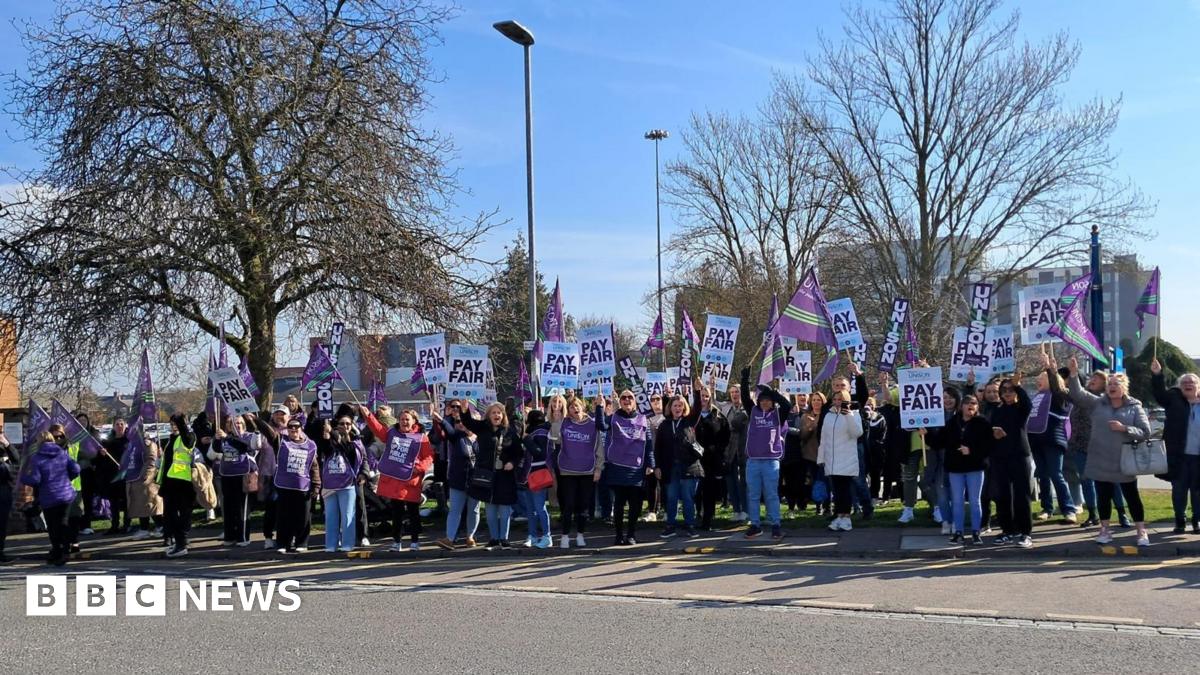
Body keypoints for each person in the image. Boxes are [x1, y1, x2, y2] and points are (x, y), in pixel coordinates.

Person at [1065, 356, 1153, 547]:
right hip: (1100, 458)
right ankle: (1104, 530)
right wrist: (1073, 374)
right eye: (1110, 384)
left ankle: (1141, 531)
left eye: (1116, 384)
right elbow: (1078, 394)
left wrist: (1125, 429)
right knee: (1103, 496)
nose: (1112, 387)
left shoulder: (1134, 407)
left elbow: (1145, 433)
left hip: (1124, 461)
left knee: (1132, 498)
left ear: (1124, 388)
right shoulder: (1098, 403)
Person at [457, 402, 523, 550]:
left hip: (504, 476)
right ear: (488, 415)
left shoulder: (510, 432)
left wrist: (512, 463)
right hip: (486, 475)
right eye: (493, 412)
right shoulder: (482, 428)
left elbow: (518, 452)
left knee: (504, 509)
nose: (496, 415)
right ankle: (494, 538)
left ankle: (504, 539)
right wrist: (465, 409)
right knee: (490, 508)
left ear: (503, 415)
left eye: (499, 412)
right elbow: (467, 422)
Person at [739, 366, 792, 539]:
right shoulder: (753, 412)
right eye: (762, 400)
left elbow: (787, 404)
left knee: (771, 494)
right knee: (753, 495)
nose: (764, 402)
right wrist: (745, 378)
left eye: (768, 400)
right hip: (753, 461)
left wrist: (773, 392)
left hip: (771, 461)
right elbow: (745, 397)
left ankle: (775, 523)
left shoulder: (778, 414)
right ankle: (755, 524)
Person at [597, 390, 656, 545]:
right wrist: (599, 407)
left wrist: (651, 463)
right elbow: (601, 426)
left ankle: (631, 534)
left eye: (630, 397)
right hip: (617, 468)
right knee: (619, 504)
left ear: (635, 401)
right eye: (624, 398)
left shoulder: (643, 419)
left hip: (636, 469)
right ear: (620, 401)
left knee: (635, 504)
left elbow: (648, 444)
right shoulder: (613, 418)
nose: (627, 400)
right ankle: (618, 535)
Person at [1150, 358, 1200, 534]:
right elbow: (1159, 395)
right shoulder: (1173, 398)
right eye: (1184, 382)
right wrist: (1157, 375)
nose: (1188, 384)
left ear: (1198, 387)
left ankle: (1197, 520)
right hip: (1178, 456)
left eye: (1192, 382)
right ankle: (1180, 520)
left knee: (1197, 491)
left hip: (1198, 457)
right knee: (1179, 490)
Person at [550, 396, 603, 548]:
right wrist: (556, 420)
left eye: (577, 405)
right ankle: (565, 536)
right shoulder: (565, 423)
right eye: (572, 406)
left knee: (583, 507)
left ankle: (580, 535)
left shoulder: (593, 424)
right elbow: (556, 440)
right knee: (568, 505)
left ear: (583, 407)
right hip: (567, 471)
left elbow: (599, 448)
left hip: (587, 471)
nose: (575, 408)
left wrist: (598, 468)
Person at [20, 431, 80, 566]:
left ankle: (57, 551)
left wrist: (24, 477)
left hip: (49, 496)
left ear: (39, 442)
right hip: (66, 494)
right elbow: (76, 468)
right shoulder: (62, 453)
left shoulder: (37, 458)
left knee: (53, 526)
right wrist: (67, 478)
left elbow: (35, 479)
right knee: (64, 522)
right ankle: (66, 549)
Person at [1027, 357, 1076, 522]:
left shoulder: (1061, 397)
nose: (1037, 381)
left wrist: (1051, 370)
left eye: (1041, 379)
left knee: (1056, 474)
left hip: (1053, 440)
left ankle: (1068, 509)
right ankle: (1047, 508)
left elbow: (1057, 388)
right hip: (1036, 441)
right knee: (1042, 475)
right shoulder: (1037, 397)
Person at [990, 377, 1035, 548]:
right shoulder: (998, 410)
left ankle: (1025, 532)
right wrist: (994, 433)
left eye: (1011, 390)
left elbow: (1027, 403)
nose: (1007, 393)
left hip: (1019, 455)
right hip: (1000, 456)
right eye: (1004, 390)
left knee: (1022, 495)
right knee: (1003, 495)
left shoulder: (1021, 408)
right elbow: (991, 428)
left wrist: (1017, 385)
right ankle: (1007, 530)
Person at [429, 399, 480, 549]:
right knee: (455, 510)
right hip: (458, 479)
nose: (464, 424)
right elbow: (448, 430)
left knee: (474, 509)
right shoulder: (457, 437)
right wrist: (439, 419)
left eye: (468, 421)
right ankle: (449, 538)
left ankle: (470, 536)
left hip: (476, 480)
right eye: (462, 422)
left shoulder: (481, 439)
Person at [208, 414, 261, 546]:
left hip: (244, 475)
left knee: (242, 508)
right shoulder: (224, 437)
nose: (236, 425)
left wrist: (228, 438)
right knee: (229, 508)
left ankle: (243, 537)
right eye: (232, 423)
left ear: (243, 424)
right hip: (227, 476)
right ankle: (229, 536)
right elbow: (214, 452)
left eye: (238, 423)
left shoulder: (248, 436)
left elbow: (248, 447)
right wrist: (217, 439)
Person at [946, 395, 993, 544]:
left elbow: (988, 446)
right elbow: (941, 440)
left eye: (974, 403)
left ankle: (976, 532)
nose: (970, 405)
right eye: (966, 403)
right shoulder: (953, 422)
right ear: (961, 407)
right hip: (956, 467)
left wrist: (971, 450)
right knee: (957, 501)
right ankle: (958, 532)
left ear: (977, 406)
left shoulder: (983, 423)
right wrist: (926, 434)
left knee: (975, 501)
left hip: (975, 467)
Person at [655, 389, 702, 538]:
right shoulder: (664, 425)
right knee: (671, 497)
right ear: (670, 407)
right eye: (675, 405)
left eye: (680, 405)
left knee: (688, 498)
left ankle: (690, 525)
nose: (677, 408)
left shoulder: (689, 421)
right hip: (670, 467)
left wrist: (697, 391)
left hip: (688, 467)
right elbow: (658, 448)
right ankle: (670, 525)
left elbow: (698, 408)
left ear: (684, 407)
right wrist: (657, 466)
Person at [317, 415, 367, 552]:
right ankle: (331, 544)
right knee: (331, 516)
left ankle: (347, 543)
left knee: (347, 515)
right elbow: (324, 449)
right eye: (342, 423)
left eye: (348, 423)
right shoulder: (331, 439)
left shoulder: (356, 442)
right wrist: (327, 436)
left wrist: (364, 474)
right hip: (330, 484)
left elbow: (348, 449)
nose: (345, 426)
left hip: (347, 484)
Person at [818, 390, 864, 531]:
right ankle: (839, 516)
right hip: (832, 459)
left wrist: (848, 415)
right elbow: (823, 438)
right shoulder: (829, 416)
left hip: (846, 459)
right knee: (836, 491)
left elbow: (857, 433)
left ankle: (846, 518)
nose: (838, 402)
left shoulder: (854, 415)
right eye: (836, 399)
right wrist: (821, 457)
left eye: (841, 400)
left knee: (845, 490)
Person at [273, 418, 320, 553]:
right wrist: (254, 419)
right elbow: (269, 432)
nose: (294, 429)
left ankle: (302, 543)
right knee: (284, 517)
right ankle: (283, 543)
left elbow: (314, 466)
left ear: (301, 428)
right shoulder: (282, 441)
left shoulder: (310, 445)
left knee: (303, 517)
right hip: (285, 486)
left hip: (303, 487)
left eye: (297, 427)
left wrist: (316, 486)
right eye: (290, 427)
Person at [156, 414, 199, 558]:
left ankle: (182, 543)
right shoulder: (171, 439)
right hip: (169, 482)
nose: (173, 426)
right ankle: (179, 543)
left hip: (183, 482)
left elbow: (187, 439)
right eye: (172, 423)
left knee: (183, 516)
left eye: (176, 423)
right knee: (169, 516)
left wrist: (181, 421)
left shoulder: (189, 436)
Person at [694, 382, 730, 531]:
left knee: (709, 491)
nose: (704, 398)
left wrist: (717, 450)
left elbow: (725, 435)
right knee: (696, 491)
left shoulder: (718, 416)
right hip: (694, 458)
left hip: (711, 459)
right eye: (701, 396)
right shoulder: (693, 415)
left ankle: (707, 520)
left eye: (706, 396)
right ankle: (698, 515)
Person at [121, 424, 163, 540]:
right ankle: (144, 529)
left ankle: (161, 526)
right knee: (140, 506)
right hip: (133, 478)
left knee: (151, 504)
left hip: (144, 479)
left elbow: (151, 460)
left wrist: (146, 476)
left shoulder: (147, 444)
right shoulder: (131, 445)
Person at [518, 409, 553, 548]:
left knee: (539, 507)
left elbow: (540, 453)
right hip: (529, 474)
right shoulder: (537, 432)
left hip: (537, 473)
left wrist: (526, 440)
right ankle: (532, 536)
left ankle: (547, 536)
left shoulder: (541, 433)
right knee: (531, 509)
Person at [97, 418, 131, 534]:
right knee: (114, 502)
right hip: (112, 476)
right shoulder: (108, 442)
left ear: (125, 426)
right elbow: (101, 460)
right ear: (113, 427)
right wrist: (102, 454)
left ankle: (127, 524)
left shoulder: (129, 441)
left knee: (126, 501)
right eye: (117, 424)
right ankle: (114, 525)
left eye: (122, 424)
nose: (119, 426)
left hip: (126, 475)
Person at [723, 384, 749, 522]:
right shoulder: (726, 409)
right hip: (729, 451)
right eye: (732, 392)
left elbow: (735, 424)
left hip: (743, 451)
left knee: (743, 483)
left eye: (737, 392)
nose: (734, 394)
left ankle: (745, 509)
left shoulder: (747, 409)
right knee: (731, 482)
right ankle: (736, 510)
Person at [783, 394, 810, 514]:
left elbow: (801, 432)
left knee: (801, 481)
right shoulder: (784, 414)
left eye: (804, 395)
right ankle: (791, 507)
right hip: (787, 453)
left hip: (802, 453)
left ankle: (802, 505)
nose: (801, 397)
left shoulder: (806, 413)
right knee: (789, 482)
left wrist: (788, 428)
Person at [0, 431, 18, 562]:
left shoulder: (4, 446)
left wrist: (6, 444)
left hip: (3, 489)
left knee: (2, 523)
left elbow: (17, 459)